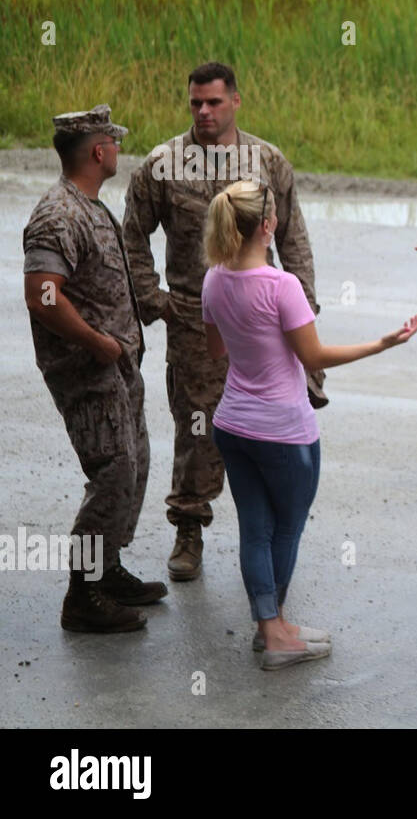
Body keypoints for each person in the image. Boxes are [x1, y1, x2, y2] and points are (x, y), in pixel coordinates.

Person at [202, 180, 417, 670]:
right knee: (285, 530)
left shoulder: (214, 278)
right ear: (267, 226)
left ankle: (270, 627)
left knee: (254, 530)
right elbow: (314, 356)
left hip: (232, 424)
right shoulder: (283, 286)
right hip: (283, 430)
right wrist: (382, 344)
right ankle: (275, 634)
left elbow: (217, 350)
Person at [124, 61, 324, 584]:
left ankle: (273, 531)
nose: (204, 112)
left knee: (275, 424)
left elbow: (294, 239)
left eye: (214, 102)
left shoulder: (267, 161)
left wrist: (305, 309)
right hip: (196, 317)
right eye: (196, 103)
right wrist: (153, 298)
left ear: (236, 100)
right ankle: (189, 528)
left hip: (265, 317)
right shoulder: (162, 165)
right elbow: (132, 236)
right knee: (198, 427)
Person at [23, 105, 168, 633]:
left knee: (133, 465)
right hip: (86, 369)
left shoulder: (92, 207)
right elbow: (41, 297)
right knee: (111, 474)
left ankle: (105, 571)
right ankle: (83, 597)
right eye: (114, 141)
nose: (119, 149)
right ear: (99, 151)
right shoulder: (58, 214)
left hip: (117, 366)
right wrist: (95, 342)